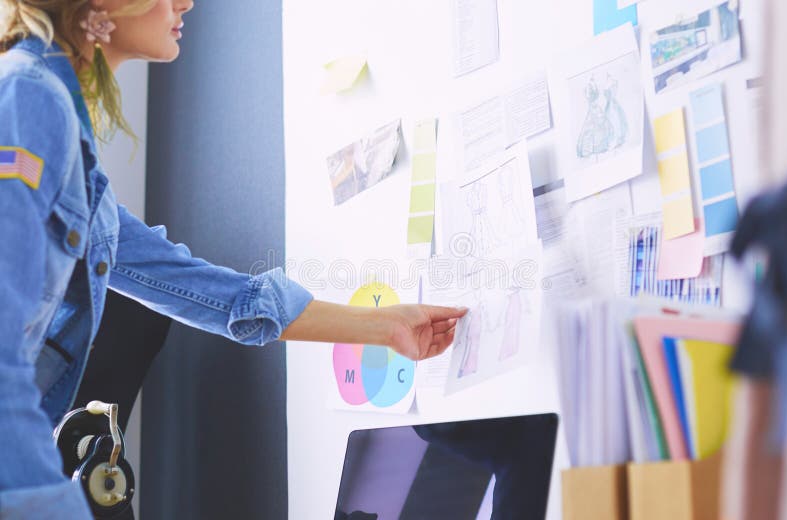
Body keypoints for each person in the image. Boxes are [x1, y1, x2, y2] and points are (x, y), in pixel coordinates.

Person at [0, 1, 466, 518]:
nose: (185, 3)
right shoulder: (30, 98)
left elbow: (219, 298)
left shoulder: (69, 140)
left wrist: (385, 327)